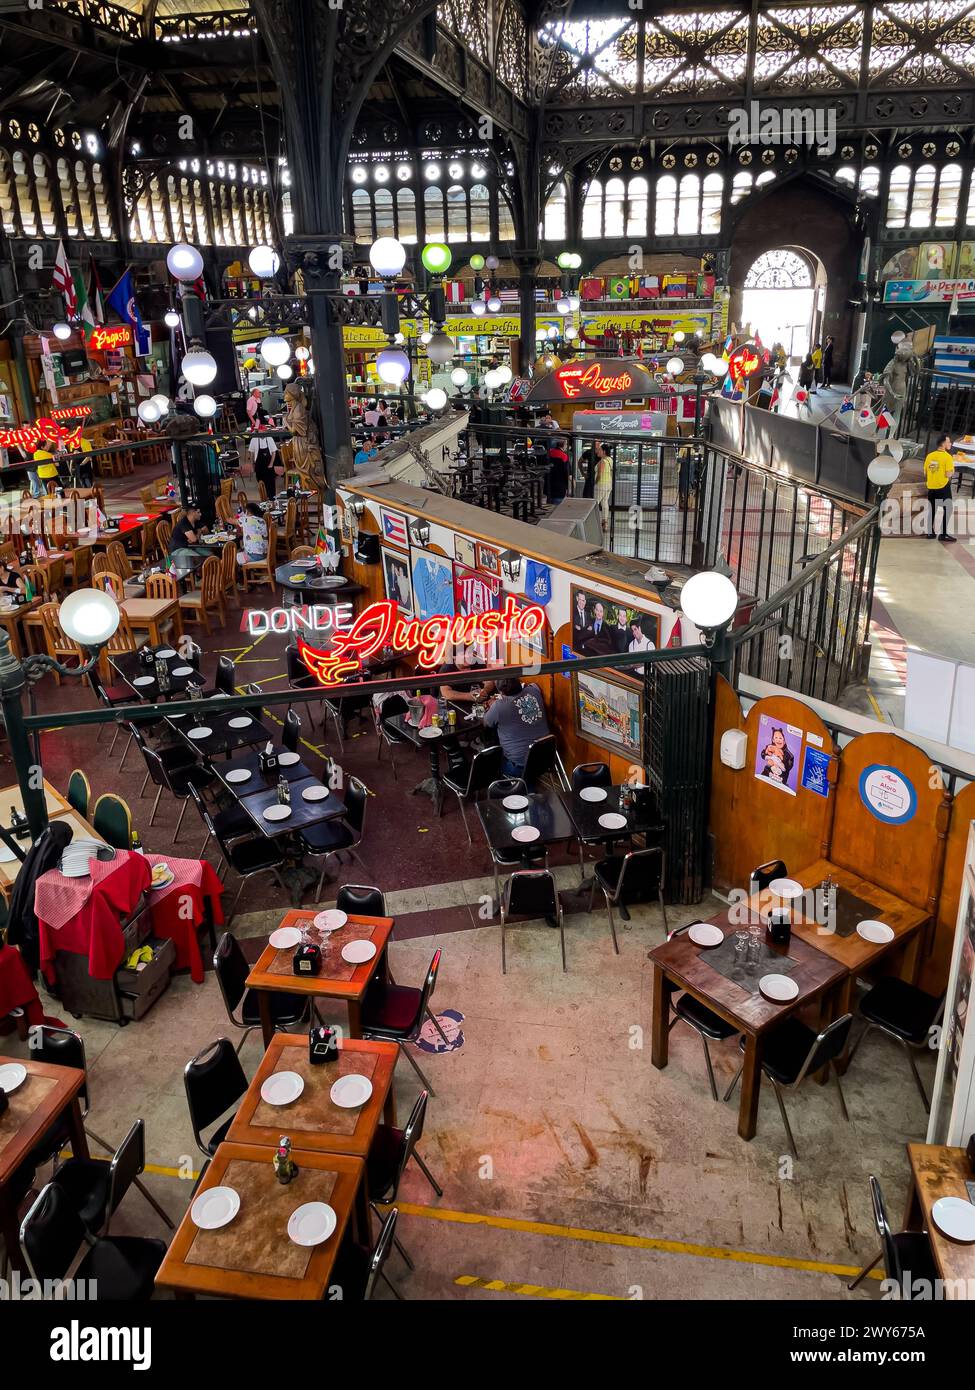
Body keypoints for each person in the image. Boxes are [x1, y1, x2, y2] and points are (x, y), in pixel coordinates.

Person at [483, 676, 550, 778]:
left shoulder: (498, 706)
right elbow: (533, 685)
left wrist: (493, 705)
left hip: (519, 767)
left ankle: (512, 788)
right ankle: (528, 785)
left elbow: (486, 723)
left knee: (490, 759)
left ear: (501, 692)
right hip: (546, 758)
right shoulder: (533, 691)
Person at [924, 432, 956, 542]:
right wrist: (952, 471)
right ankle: (943, 534)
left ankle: (929, 532)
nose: (950, 443)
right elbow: (948, 474)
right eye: (949, 442)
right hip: (943, 487)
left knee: (932, 509)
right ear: (943, 444)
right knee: (948, 508)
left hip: (931, 487)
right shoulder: (947, 457)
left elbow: (926, 473)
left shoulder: (930, 456)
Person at [248, 425, 279, 498]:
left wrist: (271, 464)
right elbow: (251, 453)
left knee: (271, 486)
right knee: (261, 486)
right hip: (259, 466)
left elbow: (274, 452)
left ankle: (272, 500)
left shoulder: (269, 439)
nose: (262, 432)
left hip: (269, 466)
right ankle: (264, 500)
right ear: (258, 431)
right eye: (261, 431)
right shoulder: (254, 439)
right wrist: (252, 466)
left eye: (264, 431)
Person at [546, 436, 571, 503]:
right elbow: (568, 474)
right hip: (560, 488)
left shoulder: (549, 453)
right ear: (563, 445)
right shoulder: (564, 456)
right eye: (566, 444)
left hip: (548, 487)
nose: (567, 446)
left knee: (549, 507)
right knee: (557, 509)